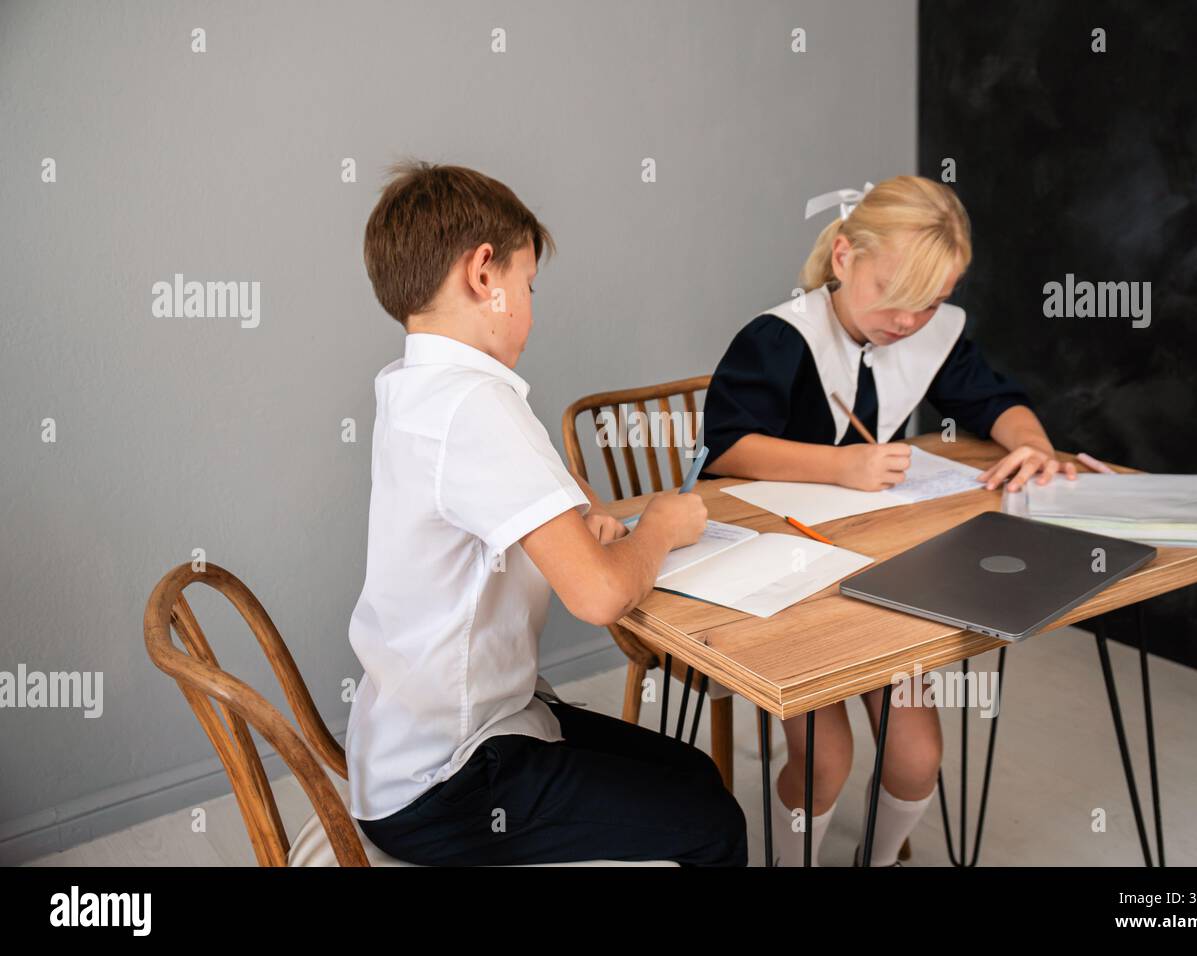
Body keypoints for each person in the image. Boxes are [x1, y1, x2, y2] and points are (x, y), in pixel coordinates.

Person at [345, 162, 747, 866]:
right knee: (714, 822)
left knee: (692, 772)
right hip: (447, 782)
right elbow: (599, 596)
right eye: (528, 285)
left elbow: (498, 500)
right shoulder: (474, 404)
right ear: (483, 275)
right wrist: (662, 525)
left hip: (405, 744)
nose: (532, 307)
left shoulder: (413, 384)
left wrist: (573, 514)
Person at [699, 175, 1076, 865]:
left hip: (878, 567)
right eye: (893, 295)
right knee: (827, 756)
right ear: (844, 257)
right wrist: (838, 465)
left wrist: (1035, 445)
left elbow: (996, 402)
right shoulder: (778, 338)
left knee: (917, 755)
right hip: (778, 576)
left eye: (929, 304)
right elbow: (724, 449)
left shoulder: (931, 334)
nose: (907, 322)